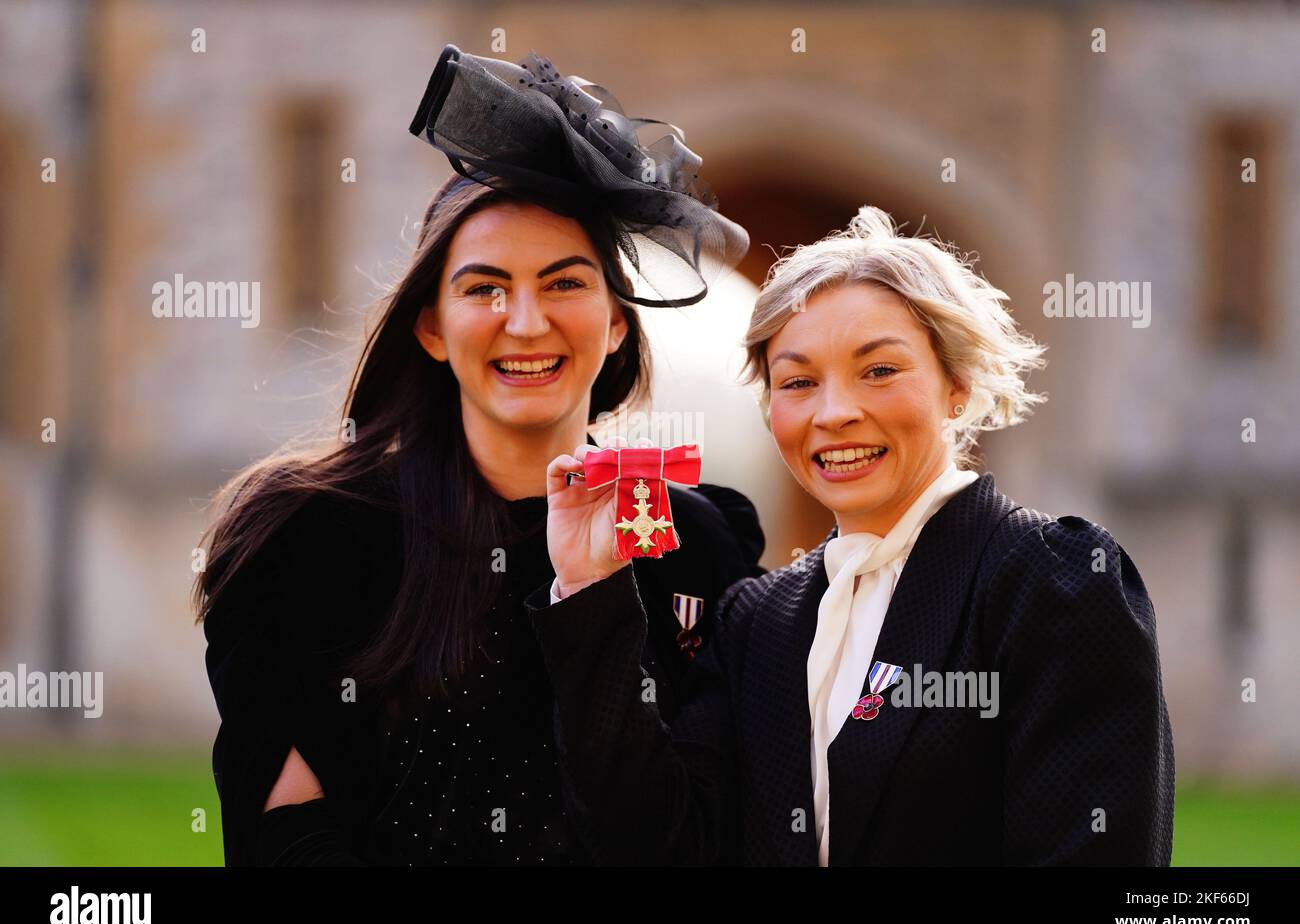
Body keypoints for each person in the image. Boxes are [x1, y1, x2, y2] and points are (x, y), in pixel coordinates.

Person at [195, 45, 760, 865]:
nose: (524, 321)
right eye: (483, 287)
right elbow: (286, 837)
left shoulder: (698, 546)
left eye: (565, 283)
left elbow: (680, 841)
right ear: (431, 327)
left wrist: (594, 598)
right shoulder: (300, 538)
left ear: (615, 325)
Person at [528, 206, 1176, 865]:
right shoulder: (758, 622)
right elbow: (657, 844)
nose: (835, 413)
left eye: (879, 371)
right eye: (799, 382)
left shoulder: (1054, 582)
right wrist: (590, 588)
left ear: (957, 383)